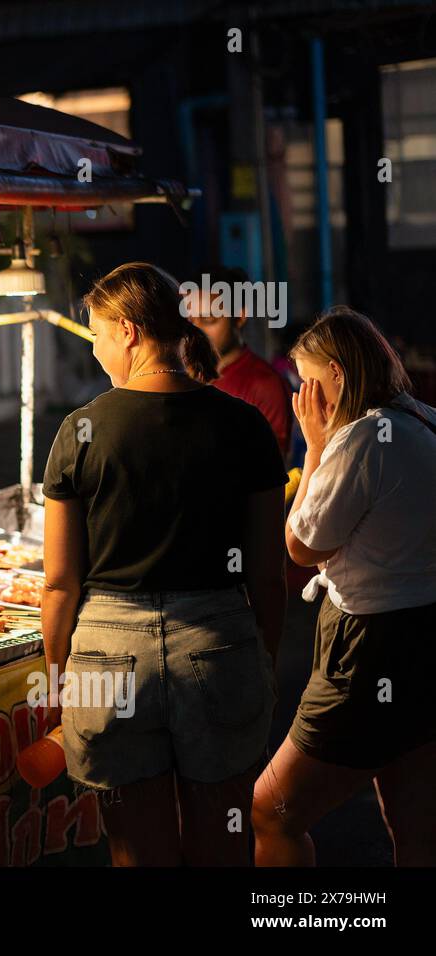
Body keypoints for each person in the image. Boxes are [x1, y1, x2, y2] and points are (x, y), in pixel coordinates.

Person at [42, 262, 287, 866]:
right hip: (219, 642)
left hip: (107, 653)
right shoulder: (242, 425)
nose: (96, 350)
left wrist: (54, 673)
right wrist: (264, 659)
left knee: (136, 849)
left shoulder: (81, 432)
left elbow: (59, 583)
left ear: (127, 330)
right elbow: (266, 573)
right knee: (223, 842)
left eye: (96, 333)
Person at [252, 306, 436, 866]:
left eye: (308, 381)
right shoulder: (424, 419)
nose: (305, 396)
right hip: (425, 636)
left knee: (269, 810)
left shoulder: (359, 441)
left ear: (336, 372)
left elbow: (302, 546)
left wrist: (312, 449)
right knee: (416, 826)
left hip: (369, 646)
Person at [184, 267, 293, 458]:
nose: (197, 331)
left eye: (209, 319)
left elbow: (270, 467)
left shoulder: (264, 385)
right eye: (191, 321)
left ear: (240, 317)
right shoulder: (182, 375)